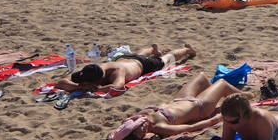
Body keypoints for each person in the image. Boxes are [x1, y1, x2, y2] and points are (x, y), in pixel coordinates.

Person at [103, 71, 243, 140]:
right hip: (200, 107)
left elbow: (117, 134)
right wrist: (216, 118)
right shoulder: (160, 126)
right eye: (143, 130)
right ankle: (246, 96)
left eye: (140, 126)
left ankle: (216, 95)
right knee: (222, 83)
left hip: (181, 99)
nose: (144, 126)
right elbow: (190, 128)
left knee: (201, 77)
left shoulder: (137, 118)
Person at [52, 44, 197, 93]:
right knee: (135, 56)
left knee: (165, 59)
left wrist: (95, 89)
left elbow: (118, 87)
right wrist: (79, 87)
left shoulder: (116, 73)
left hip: (141, 65)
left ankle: (186, 50)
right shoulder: (92, 69)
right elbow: (60, 82)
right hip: (127, 60)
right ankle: (151, 49)